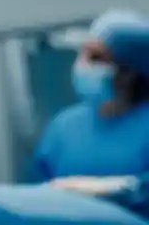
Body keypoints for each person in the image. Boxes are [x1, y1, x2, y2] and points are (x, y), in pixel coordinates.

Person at [31, 10, 149, 204]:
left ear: (128, 71)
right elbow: (35, 195)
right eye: (82, 54)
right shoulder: (64, 127)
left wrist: (118, 189)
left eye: (95, 58)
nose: (82, 65)